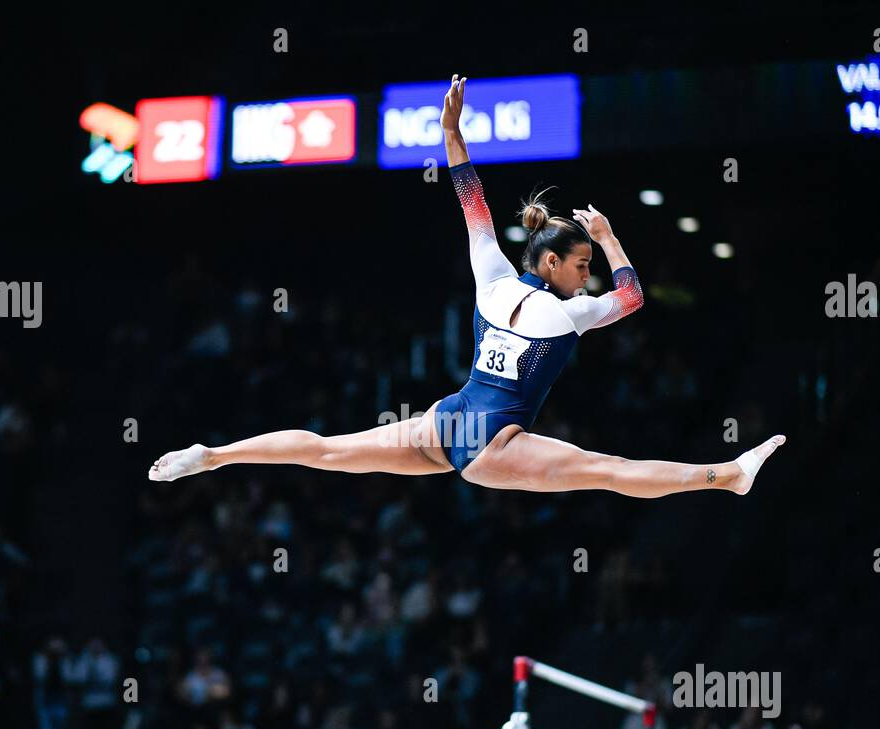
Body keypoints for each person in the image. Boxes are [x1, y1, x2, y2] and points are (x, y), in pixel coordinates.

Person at [150, 75, 784, 498]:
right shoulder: (570, 316)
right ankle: (726, 475)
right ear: (551, 264)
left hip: (446, 422)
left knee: (323, 450)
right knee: (606, 470)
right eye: (581, 261)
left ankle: (213, 455)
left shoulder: (491, 275)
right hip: (492, 442)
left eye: (591, 260)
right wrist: (613, 237)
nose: (586, 271)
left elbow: (469, 196)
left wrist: (452, 133)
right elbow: (634, 297)